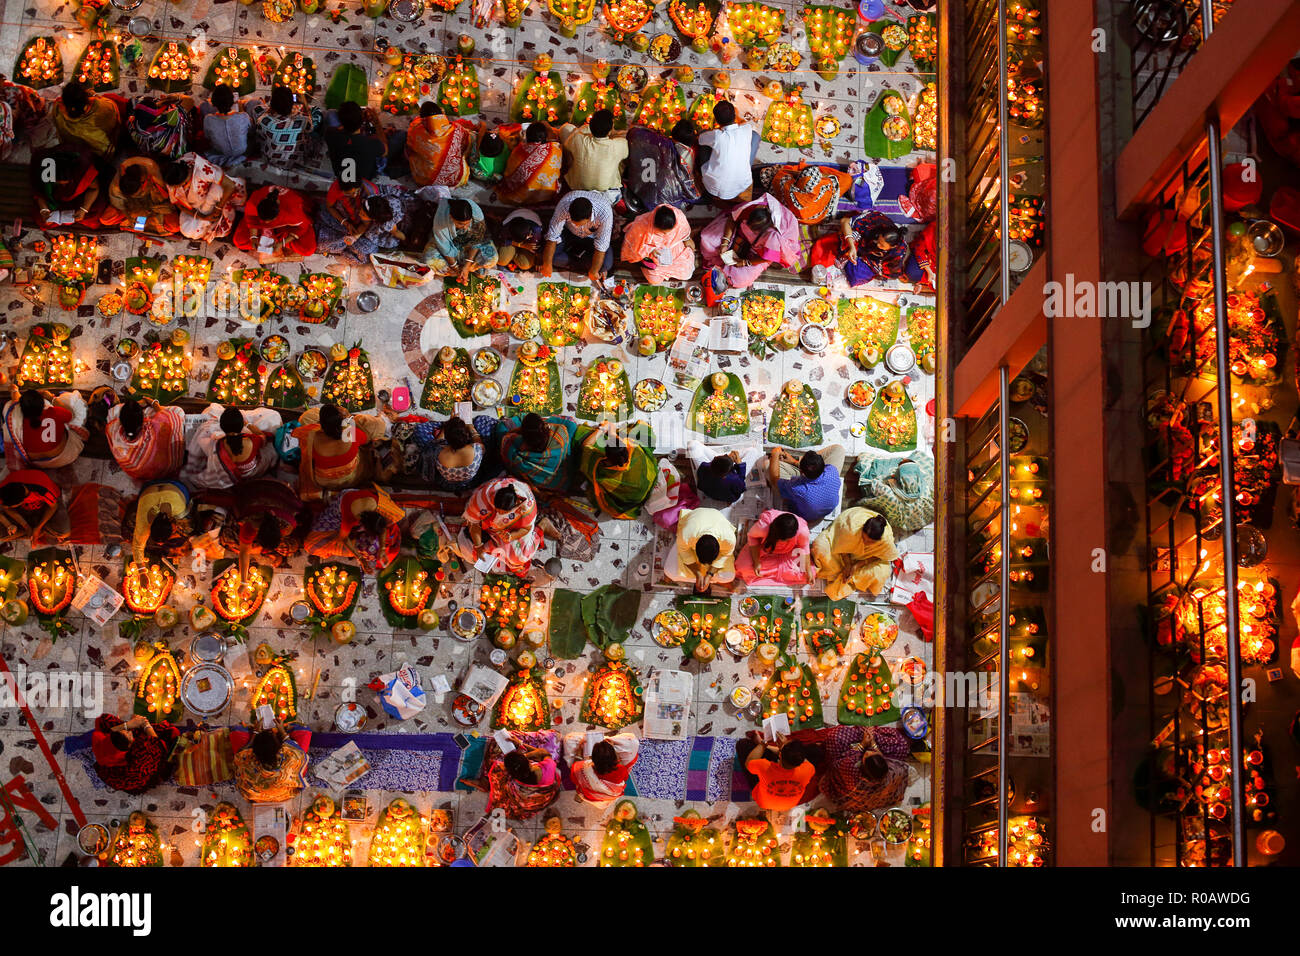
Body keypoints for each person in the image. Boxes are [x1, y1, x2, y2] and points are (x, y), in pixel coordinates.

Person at [791, 724, 910, 812]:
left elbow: (839, 762)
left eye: (867, 754)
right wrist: (873, 743)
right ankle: (869, 739)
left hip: (856, 778)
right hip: (873, 763)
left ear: (862, 765)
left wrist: (863, 744)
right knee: (901, 745)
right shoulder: (890, 769)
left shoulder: (849, 768)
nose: (869, 752)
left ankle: (862, 740)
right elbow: (878, 755)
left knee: (835, 739)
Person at [700, 193, 800, 290]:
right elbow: (732, 219)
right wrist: (725, 242)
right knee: (707, 240)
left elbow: (768, 258)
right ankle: (722, 262)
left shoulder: (775, 236)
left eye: (754, 230)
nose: (750, 229)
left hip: (757, 252)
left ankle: (726, 268)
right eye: (749, 224)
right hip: (737, 232)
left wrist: (745, 262)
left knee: (739, 279)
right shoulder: (752, 208)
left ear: (766, 229)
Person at [293, 403, 389, 500]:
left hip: (322, 481)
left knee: (307, 417)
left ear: (320, 422)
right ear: (341, 421)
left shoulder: (312, 435)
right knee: (372, 433)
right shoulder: (349, 433)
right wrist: (349, 418)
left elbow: (298, 432)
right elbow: (366, 439)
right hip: (350, 479)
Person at [461, 731, 561, 821]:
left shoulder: (513, 783)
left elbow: (502, 773)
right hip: (543, 795)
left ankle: (486, 783)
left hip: (525, 800)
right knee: (553, 735)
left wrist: (522, 752)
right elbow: (543, 753)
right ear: (529, 762)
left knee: (495, 761)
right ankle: (487, 783)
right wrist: (521, 746)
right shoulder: (549, 767)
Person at [181, 403, 281, 490]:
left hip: (228, 476)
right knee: (270, 448)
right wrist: (249, 425)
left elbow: (202, 441)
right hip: (252, 472)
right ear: (241, 425)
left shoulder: (217, 443)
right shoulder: (251, 439)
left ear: (222, 427)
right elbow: (263, 437)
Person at [215, 478, 309, 570]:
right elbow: (244, 553)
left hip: (279, 486)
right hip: (256, 485)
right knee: (235, 542)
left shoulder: (288, 526)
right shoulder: (250, 525)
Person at [303, 487, 403, 573]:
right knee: (310, 545)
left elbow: (383, 527)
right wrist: (360, 558)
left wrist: (382, 549)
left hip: (351, 499)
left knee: (371, 547)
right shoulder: (349, 519)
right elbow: (344, 538)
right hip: (337, 514)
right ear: (362, 525)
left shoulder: (375, 503)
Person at [463, 478, 549, 576]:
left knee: (520, 557)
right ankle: (498, 548)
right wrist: (478, 546)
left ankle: (542, 526)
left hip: (516, 529)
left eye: (503, 513)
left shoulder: (526, 505)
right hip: (493, 529)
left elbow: (526, 528)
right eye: (497, 510)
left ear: (516, 504)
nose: (499, 513)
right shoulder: (483, 499)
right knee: (474, 553)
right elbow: (474, 523)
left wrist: (511, 536)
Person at [812, 507, 899, 600]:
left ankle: (849, 578)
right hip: (837, 548)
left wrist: (856, 566)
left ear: (879, 540)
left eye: (870, 542)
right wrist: (848, 564)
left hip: (864, 558)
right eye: (863, 538)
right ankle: (846, 577)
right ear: (861, 529)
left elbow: (881, 557)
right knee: (820, 547)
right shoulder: (851, 527)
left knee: (881, 573)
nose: (865, 543)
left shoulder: (885, 541)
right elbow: (841, 545)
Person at [314, 178, 411, 261]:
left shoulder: (386, 223)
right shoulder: (369, 200)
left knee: (367, 250)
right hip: (367, 214)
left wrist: (406, 241)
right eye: (361, 211)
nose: (359, 213)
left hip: (389, 223)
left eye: (363, 214)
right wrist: (348, 228)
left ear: (373, 220)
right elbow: (331, 207)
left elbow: (395, 232)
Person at [576, 420, 656, 519]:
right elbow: (617, 441)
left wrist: (602, 429)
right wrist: (612, 432)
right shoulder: (634, 448)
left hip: (625, 502)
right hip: (643, 487)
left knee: (581, 436)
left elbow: (586, 446)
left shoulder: (601, 468)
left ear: (606, 455)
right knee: (641, 432)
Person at [161, 152, 246, 242]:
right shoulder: (171, 177)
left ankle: (213, 218)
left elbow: (230, 186)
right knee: (188, 231)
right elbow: (179, 204)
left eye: (184, 184)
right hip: (195, 207)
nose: (181, 188)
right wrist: (201, 216)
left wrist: (218, 208)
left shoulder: (201, 169)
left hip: (212, 197)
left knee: (220, 189)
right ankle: (209, 220)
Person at [2, 384, 88, 470]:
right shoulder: (54, 411)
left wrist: (15, 390)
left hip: (37, 463)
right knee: (74, 402)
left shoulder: (17, 417)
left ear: (21, 408)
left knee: (8, 406)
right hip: (65, 457)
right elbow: (70, 415)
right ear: (43, 404)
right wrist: (52, 398)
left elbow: (15, 401)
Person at [623, 121, 701, 213]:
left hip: (641, 197)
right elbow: (688, 185)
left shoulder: (658, 141)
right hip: (669, 204)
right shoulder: (685, 153)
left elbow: (634, 131)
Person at [91, 714, 179, 794]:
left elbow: (107, 727)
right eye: (128, 734)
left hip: (118, 753)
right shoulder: (140, 760)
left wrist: (128, 725)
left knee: (107, 722)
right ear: (129, 746)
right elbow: (157, 745)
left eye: (123, 731)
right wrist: (146, 725)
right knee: (169, 733)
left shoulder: (102, 745)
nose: (129, 731)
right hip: (138, 774)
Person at [832, 210, 925, 286]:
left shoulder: (898, 253)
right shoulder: (876, 221)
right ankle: (849, 255)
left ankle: (852, 260)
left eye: (882, 245)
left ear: (893, 246)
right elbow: (844, 221)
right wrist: (852, 246)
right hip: (863, 241)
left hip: (871, 260)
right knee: (845, 239)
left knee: (857, 276)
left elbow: (886, 271)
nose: (878, 245)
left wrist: (868, 261)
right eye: (878, 240)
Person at [540, 191, 615, 282]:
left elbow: (601, 246)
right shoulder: (564, 205)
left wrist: (594, 271)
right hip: (569, 234)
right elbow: (552, 236)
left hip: (591, 239)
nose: (578, 227)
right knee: (550, 257)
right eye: (574, 223)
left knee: (605, 265)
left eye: (580, 224)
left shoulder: (605, 212)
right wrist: (547, 264)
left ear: (590, 216)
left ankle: (576, 260)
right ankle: (580, 261)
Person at [105, 397, 185, 481]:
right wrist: (154, 403)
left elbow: (113, 412)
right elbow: (170, 418)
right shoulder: (154, 428)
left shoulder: (113, 430)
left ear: (121, 421)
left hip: (139, 473)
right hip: (167, 469)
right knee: (178, 411)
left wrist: (136, 406)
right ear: (143, 420)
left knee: (114, 412)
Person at [230, 721, 312, 804]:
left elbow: (241, 752)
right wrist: (282, 731)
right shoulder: (291, 758)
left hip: (256, 798)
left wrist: (255, 732)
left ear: (253, 751)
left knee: (237, 730)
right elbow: (298, 751)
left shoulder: (246, 761)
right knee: (302, 729)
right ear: (279, 747)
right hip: (285, 796)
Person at [496, 411, 578, 492]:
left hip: (555, 476)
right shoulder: (560, 431)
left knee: (501, 429)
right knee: (571, 425)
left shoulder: (516, 450)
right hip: (562, 477)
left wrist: (518, 431)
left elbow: (506, 438)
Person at [416, 414, 498, 492]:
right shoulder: (477, 449)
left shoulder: (437, 450)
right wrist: (471, 427)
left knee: (419, 430)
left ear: (447, 439)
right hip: (470, 483)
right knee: (481, 421)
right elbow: (477, 438)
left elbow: (439, 440)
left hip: (447, 485)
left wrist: (447, 426)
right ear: (467, 436)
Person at [766, 445, 845, 526]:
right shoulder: (832, 471)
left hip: (807, 517)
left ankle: (799, 464)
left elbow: (774, 480)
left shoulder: (797, 488)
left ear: (801, 472)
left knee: (768, 464)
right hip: (824, 508)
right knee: (838, 449)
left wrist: (774, 454)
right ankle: (801, 464)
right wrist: (793, 461)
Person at [101, 156, 181, 235]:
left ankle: (143, 224)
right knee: (106, 220)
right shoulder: (118, 186)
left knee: (174, 226)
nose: (139, 193)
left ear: (142, 181)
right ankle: (140, 225)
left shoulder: (152, 170)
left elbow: (164, 200)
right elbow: (119, 203)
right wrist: (132, 214)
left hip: (154, 206)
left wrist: (150, 214)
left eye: (139, 192)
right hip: (134, 208)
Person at [31, 145, 107, 228]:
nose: (63, 185)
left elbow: (94, 189)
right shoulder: (42, 164)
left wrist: (84, 209)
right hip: (53, 198)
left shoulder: (83, 169)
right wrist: (44, 210)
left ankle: (77, 216)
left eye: (65, 183)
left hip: (79, 196)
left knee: (97, 209)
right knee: (40, 218)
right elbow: (38, 191)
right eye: (58, 182)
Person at [697, 99, 758, 203]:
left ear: (716, 121)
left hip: (715, 187)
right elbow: (743, 122)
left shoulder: (717, 135)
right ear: (735, 115)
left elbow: (700, 139)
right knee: (755, 136)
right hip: (743, 183)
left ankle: (700, 174)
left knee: (703, 135)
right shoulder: (747, 129)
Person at [664, 506, 736, 593]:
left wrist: (709, 575)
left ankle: (710, 580)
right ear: (695, 548)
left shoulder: (729, 539)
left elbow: (724, 556)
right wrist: (698, 573)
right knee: (669, 571)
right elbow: (685, 553)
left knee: (729, 577)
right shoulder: (687, 535)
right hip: (690, 530)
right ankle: (713, 581)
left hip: (715, 521)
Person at [232, 185, 317, 257]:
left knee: (308, 249)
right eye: (264, 220)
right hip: (260, 227)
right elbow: (251, 219)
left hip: (286, 228)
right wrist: (253, 237)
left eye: (270, 221)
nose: (266, 223)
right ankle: (270, 237)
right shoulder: (254, 202)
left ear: (278, 213)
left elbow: (302, 227)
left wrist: (282, 243)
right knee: (239, 241)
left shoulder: (294, 211)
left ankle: (276, 239)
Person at [559, 109, 628, 199]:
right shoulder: (619, 144)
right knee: (620, 163)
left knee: (566, 128)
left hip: (577, 187)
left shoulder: (578, 139)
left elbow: (577, 133)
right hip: (606, 190)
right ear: (610, 130)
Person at [424, 196, 498, 279]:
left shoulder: (476, 214)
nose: (465, 227)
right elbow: (444, 246)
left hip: (469, 246)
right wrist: (455, 267)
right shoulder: (441, 221)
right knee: (429, 259)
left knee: (492, 258)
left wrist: (467, 264)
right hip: (450, 246)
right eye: (461, 224)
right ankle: (459, 270)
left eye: (468, 223)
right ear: (451, 217)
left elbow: (477, 240)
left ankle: (467, 268)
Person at [620, 204, 696, 283]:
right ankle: (653, 269)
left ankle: (667, 271)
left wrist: (687, 239)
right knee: (654, 281)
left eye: (669, 231)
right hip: (653, 254)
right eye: (662, 232)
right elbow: (633, 247)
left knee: (687, 274)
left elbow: (684, 234)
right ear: (655, 225)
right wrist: (650, 250)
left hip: (674, 246)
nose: (666, 235)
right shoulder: (641, 225)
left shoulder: (679, 218)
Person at [563, 731, 639, 809]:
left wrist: (579, 750)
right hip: (608, 798)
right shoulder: (621, 770)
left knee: (569, 739)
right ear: (615, 759)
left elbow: (574, 773)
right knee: (632, 740)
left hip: (589, 795)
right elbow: (624, 778)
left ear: (593, 760)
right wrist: (612, 748)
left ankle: (586, 794)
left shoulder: (581, 768)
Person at [405, 101, 474, 187]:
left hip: (425, 179)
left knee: (411, 151)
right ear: (441, 114)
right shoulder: (457, 129)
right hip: (453, 178)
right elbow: (467, 143)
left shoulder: (415, 129)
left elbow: (409, 147)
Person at [735, 510, 811, 587]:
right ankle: (778, 571)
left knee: (806, 573)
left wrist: (808, 571)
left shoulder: (802, 531)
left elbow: (804, 547)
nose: (781, 542)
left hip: (788, 553)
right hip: (764, 548)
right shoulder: (763, 527)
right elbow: (752, 537)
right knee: (742, 568)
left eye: (786, 540)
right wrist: (756, 562)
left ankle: (776, 571)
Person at [245, 85, 314, 168]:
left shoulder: (264, 120)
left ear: (272, 102)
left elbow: (259, 129)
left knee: (254, 103)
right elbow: (310, 128)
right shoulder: (303, 119)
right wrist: (304, 104)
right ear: (292, 103)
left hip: (271, 160)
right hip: (296, 161)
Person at [496, 121, 562, 204]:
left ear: (527, 136)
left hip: (520, 193)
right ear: (545, 138)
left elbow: (508, 173)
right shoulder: (554, 148)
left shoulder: (519, 150)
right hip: (547, 193)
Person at [52, 80, 121, 157]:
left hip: (75, 148)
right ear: (86, 99)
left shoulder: (57, 109)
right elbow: (113, 107)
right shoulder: (101, 109)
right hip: (99, 153)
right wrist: (95, 95)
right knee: (113, 97)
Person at [130, 479, 193, 564]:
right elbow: (136, 547)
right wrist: (141, 572)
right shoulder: (143, 521)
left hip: (167, 485)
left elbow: (138, 547)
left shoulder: (179, 511)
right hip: (151, 487)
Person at [324, 100, 388, 182]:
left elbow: (342, 129)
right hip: (362, 180)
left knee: (330, 113)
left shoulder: (330, 133)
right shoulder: (373, 144)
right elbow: (385, 150)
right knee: (400, 136)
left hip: (341, 173)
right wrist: (377, 122)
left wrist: (354, 121)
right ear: (362, 122)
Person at [0, 468, 69, 542]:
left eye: (11, 506)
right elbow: (6, 508)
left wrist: (39, 527)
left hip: (45, 509)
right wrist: (25, 526)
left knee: (64, 531)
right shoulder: (5, 487)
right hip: (23, 513)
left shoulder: (43, 489)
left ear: (21, 501)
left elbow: (53, 507)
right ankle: (35, 531)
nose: (8, 507)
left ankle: (38, 530)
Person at [744, 739, 814, 811]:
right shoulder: (809, 769)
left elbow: (749, 762)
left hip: (763, 803)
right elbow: (799, 757)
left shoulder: (765, 766)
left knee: (743, 743)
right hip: (789, 806)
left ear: (780, 755)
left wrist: (763, 744)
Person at [686, 441, 762, 505]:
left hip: (708, 491)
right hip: (727, 496)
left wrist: (727, 458)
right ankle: (729, 460)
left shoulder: (704, 466)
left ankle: (725, 460)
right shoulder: (734, 479)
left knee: (693, 444)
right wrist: (739, 464)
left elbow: (713, 465)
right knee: (753, 451)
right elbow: (741, 488)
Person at [201, 83, 251, 165]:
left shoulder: (208, 119)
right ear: (232, 101)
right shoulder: (244, 116)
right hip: (242, 151)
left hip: (220, 151)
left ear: (213, 102)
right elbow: (251, 131)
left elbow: (207, 136)